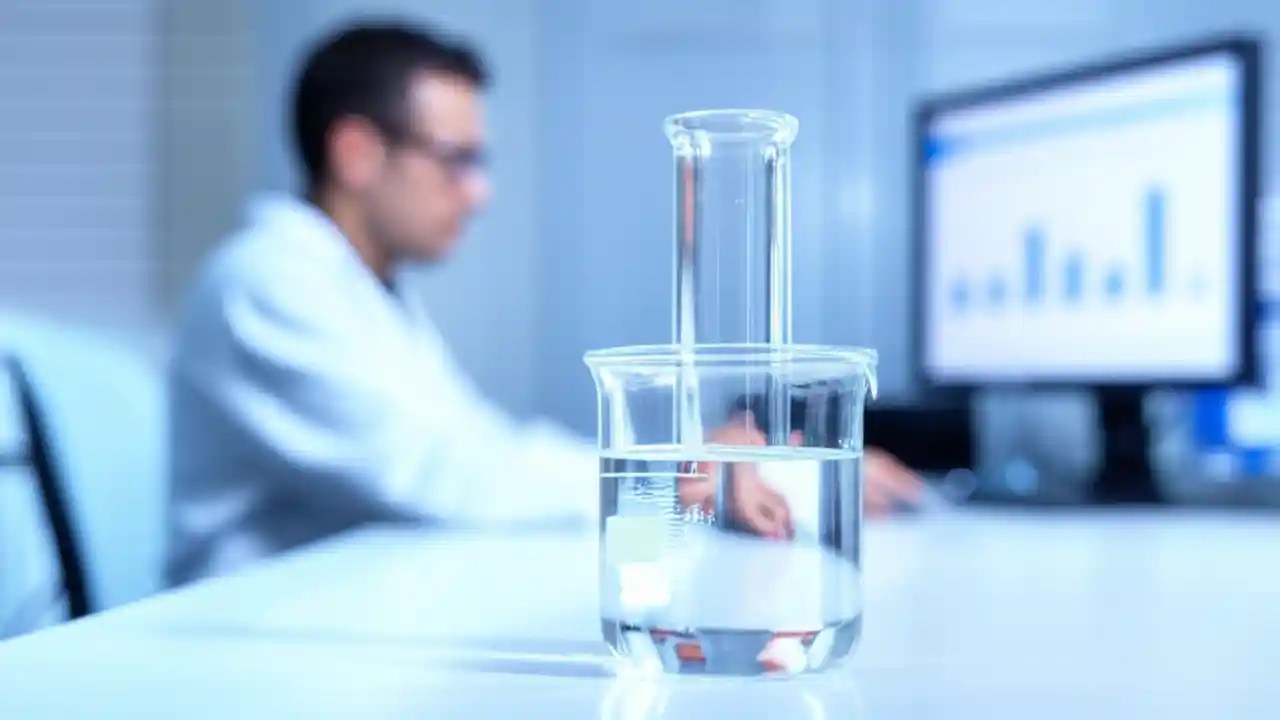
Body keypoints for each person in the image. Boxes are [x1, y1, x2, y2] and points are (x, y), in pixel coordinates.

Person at [166, 22, 921, 586]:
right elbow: (447, 479)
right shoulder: (266, 283)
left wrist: (682, 481)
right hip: (261, 646)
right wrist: (702, 475)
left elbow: (481, 449)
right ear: (358, 152)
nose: (480, 192)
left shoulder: (364, 290)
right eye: (457, 159)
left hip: (363, 600)